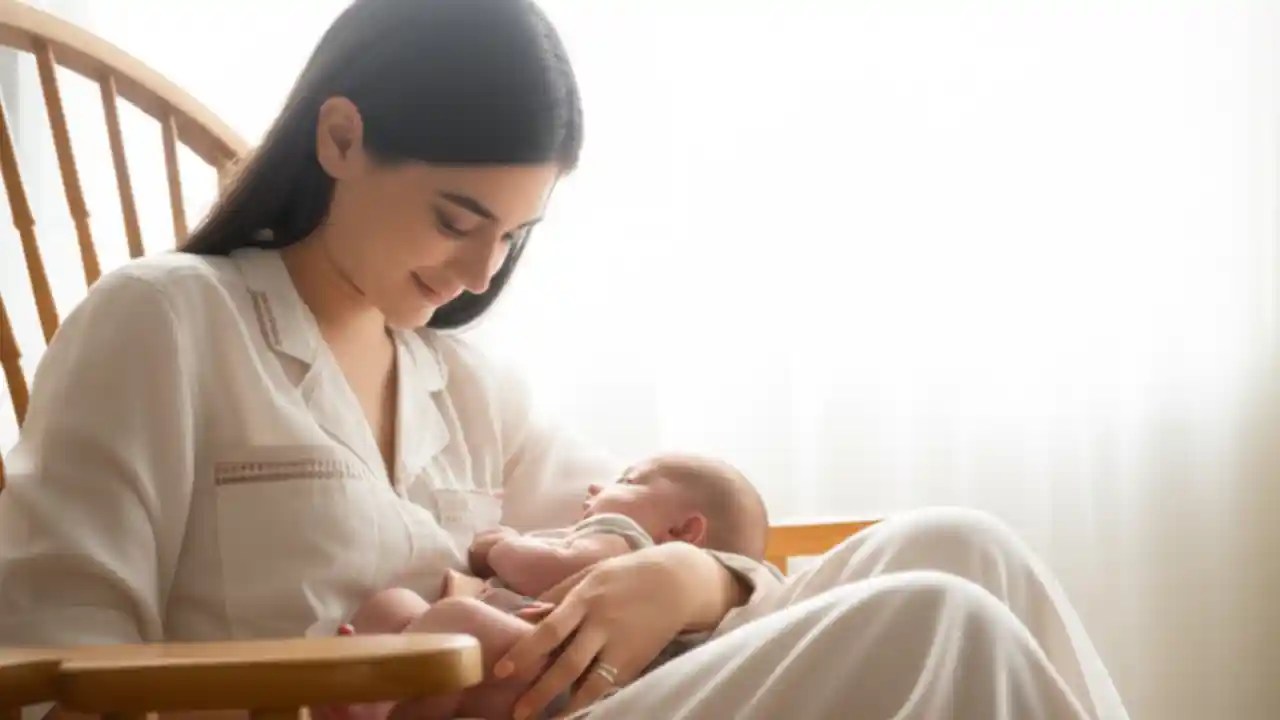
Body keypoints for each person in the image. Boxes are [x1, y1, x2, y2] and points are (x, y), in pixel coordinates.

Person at [0, 0, 1129, 718]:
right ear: (339, 139)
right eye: (456, 217)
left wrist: (692, 573)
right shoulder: (166, 322)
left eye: (513, 236)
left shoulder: (470, 381)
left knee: (963, 548)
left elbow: (647, 529)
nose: (483, 274)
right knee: (937, 620)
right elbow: (51, 667)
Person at [327, 454, 770, 720]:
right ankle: (359, 678)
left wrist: (503, 548)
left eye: (628, 480)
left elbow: (550, 570)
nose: (598, 486)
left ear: (681, 531)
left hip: (563, 671)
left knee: (455, 625)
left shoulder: (626, 539)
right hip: (531, 659)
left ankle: (372, 704)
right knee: (400, 604)